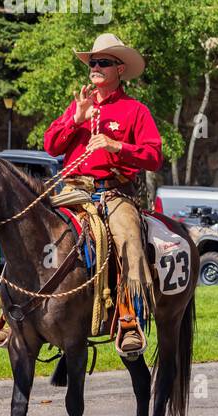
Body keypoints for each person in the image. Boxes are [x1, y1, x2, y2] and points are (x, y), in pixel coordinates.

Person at [36, 33, 163, 357]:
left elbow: (154, 156)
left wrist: (116, 145)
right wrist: (75, 119)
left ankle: (129, 318)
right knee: (29, 229)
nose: (95, 66)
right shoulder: (79, 105)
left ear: (119, 69)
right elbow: (50, 145)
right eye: (92, 61)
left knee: (128, 238)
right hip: (71, 190)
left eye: (103, 62)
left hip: (112, 194)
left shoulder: (135, 110)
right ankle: (12, 315)